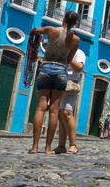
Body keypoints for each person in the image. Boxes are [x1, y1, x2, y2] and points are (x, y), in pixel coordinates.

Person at [27, 12, 80, 153]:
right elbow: (69, 59)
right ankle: (48, 148)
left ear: (63, 19)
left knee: (40, 108)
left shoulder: (51, 30)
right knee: (54, 110)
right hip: (61, 71)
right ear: (75, 24)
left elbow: (34, 31)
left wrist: (39, 34)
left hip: (46, 68)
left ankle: (34, 147)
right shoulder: (76, 40)